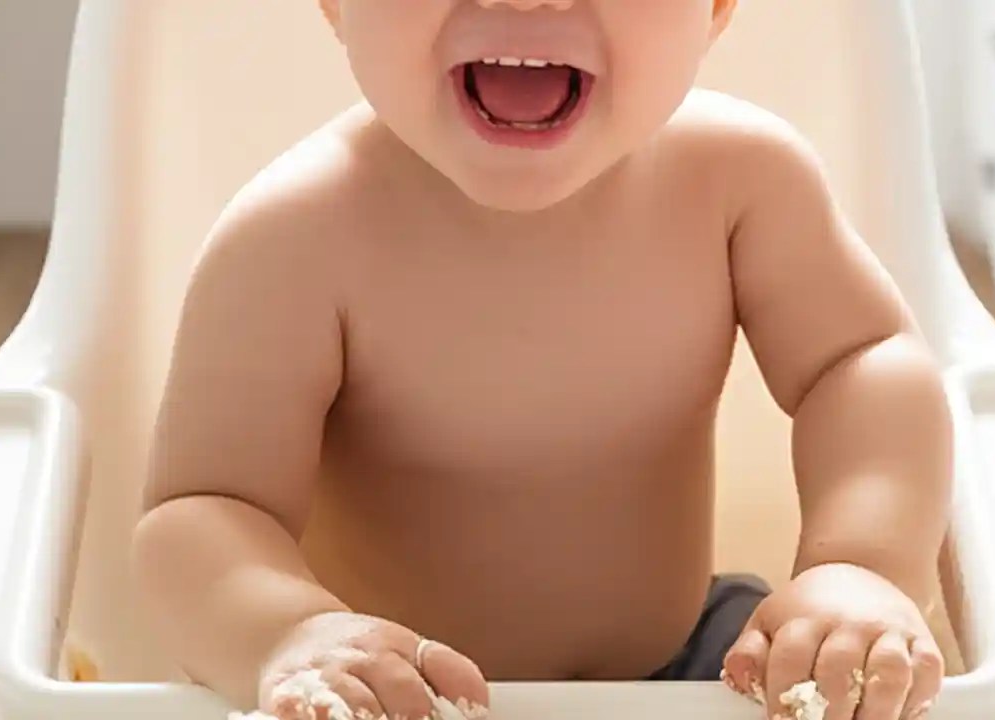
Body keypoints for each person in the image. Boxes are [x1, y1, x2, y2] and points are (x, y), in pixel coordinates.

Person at [130, 1, 952, 718]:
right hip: (397, 696)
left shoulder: (741, 183)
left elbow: (858, 362)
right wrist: (288, 633)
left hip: (691, 664)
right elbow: (207, 508)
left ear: (714, 7)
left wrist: (859, 567)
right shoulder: (295, 239)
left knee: (825, 684)